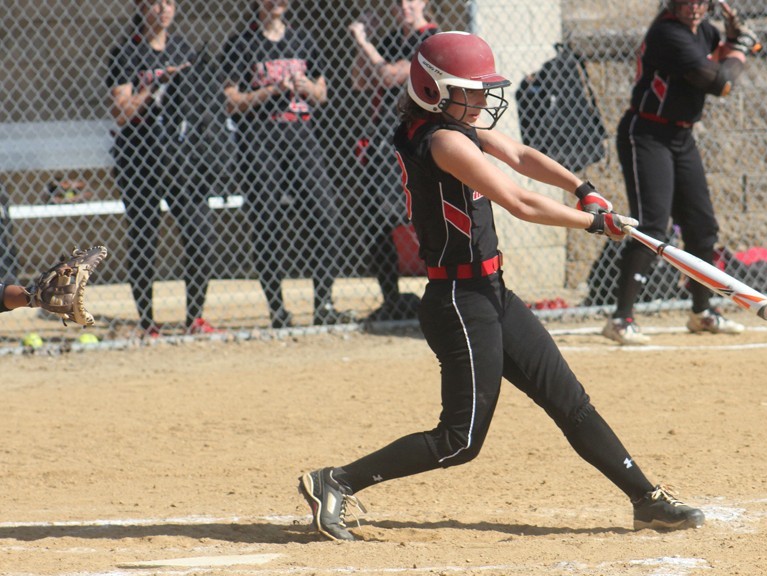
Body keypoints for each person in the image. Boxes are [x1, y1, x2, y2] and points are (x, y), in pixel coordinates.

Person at [298, 31, 705, 541]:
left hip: (492, 292)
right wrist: (598, 224)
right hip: (458, 303)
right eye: (471, 89)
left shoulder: (453, 124)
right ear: (434, 90)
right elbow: (520, 202)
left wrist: (584, 191)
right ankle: (334, 481)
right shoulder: (442, 139)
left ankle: (646, 499)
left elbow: (518, 153)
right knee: (460, 440)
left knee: (569, 401)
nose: (483, 99)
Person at [602, 0, 761, 345]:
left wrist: (731, 40)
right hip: (645, 134)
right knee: (653, 226)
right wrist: (741, 48)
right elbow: (720, 84)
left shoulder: (704, 31)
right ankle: (621, 319)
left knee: (702, 226)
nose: (694, 8)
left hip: (680, 135)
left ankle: (701, 313)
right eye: (687, 1)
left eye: (701, 2)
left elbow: (717, 60)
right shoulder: (667, 33)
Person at [221, 0, 349, 329]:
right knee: (267, 223)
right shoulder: (241, 43)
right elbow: (231, 101)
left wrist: (308, 88)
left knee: (326, 217)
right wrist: (271, 91)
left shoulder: (303, 39)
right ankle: (277, 309)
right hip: (260, 141)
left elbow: (322, 92)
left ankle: (322, 302)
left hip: (302, 136)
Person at [106, 0, 221, 338]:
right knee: (144, 237)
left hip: (180, 159)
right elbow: (121, 112)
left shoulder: (182, 48)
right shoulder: (126, 53)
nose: (163, 9)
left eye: (169, 2)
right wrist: (154, 86)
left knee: (201, 236)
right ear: (142, 8)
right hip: (139, 155)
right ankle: (148, 322)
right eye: (155, 3)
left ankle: (195, 318)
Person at [347, 0, 438, 323]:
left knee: (421, 217)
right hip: (384, 142)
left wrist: (364, 42)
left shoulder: (431, 40)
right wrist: (367, 45)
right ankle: (391, 298)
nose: (404, 6)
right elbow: (360, 80)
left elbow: (390, 76)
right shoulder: (387, 41)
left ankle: (441, 293)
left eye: (411, 0)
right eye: (398, 1)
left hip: (417, 140)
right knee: (377, 221)